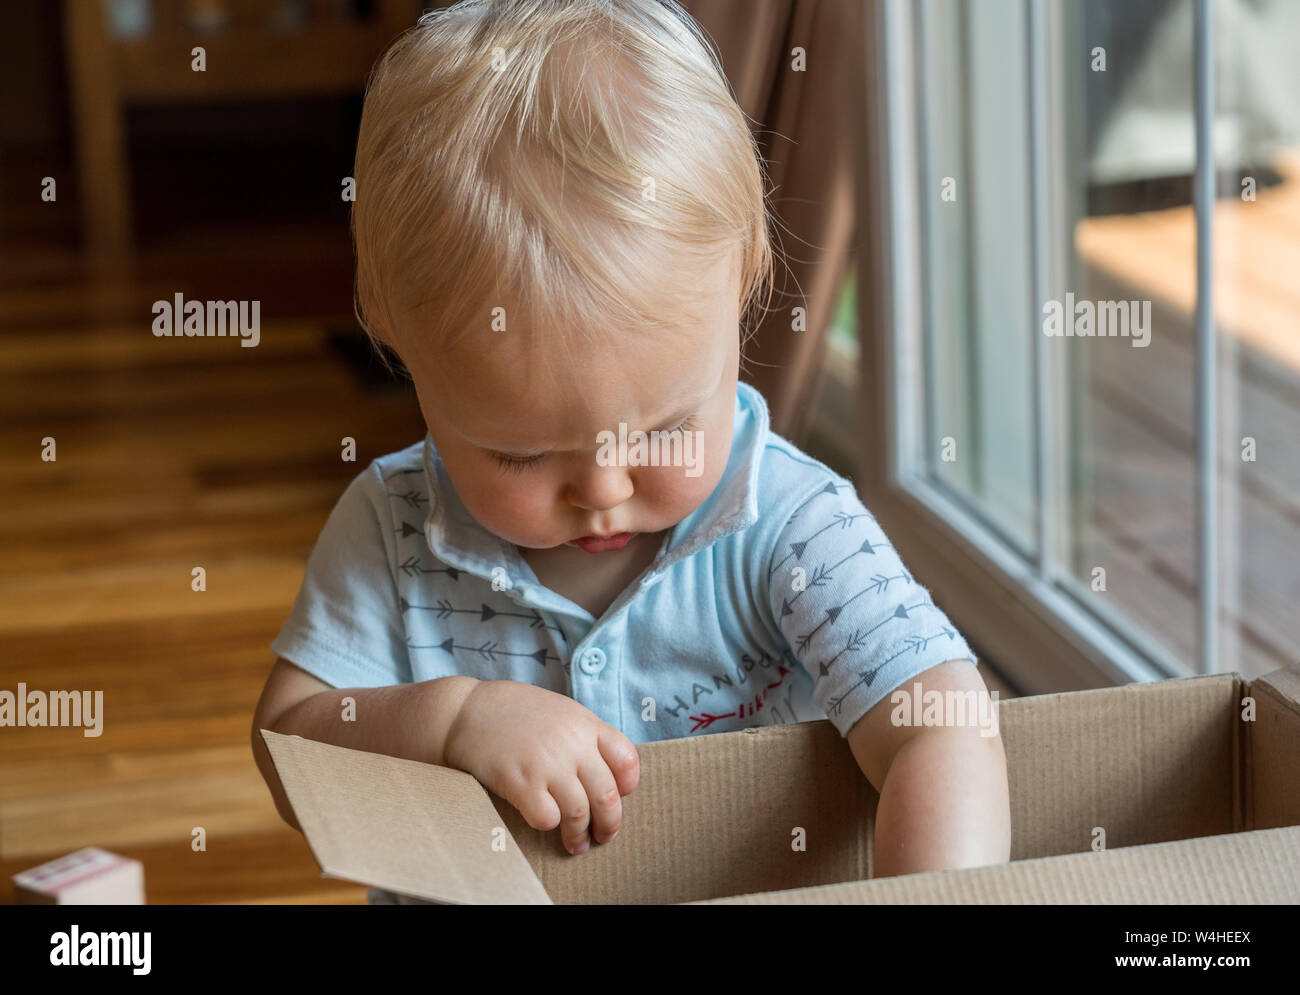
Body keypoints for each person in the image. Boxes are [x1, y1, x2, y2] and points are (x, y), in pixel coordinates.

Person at [250, 0, 1009, 892]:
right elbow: (290, 746)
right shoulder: (390, 527)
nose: (605, 488)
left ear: (745, 283)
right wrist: (453, 721)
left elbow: (942, 723)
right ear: (399, 351)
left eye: (666, 429)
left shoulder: (789, 526)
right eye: (524, 455)